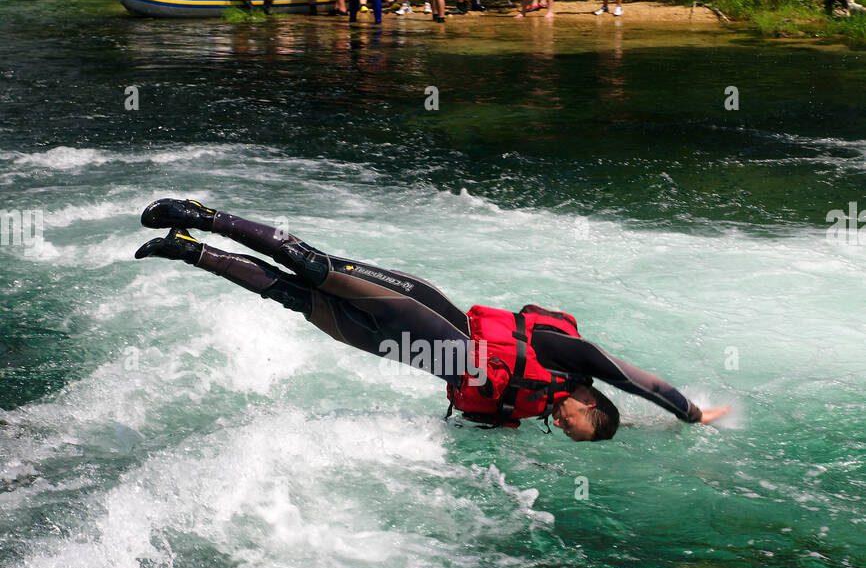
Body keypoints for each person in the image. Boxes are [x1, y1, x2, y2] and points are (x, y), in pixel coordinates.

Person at [135, 198, 731, 441]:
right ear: (587, 401)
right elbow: (636, 379)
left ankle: (188, 248)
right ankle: (202, 215)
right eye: (576, 422)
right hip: (429, 319)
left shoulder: (528, 409)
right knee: (312, 266)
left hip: (409, 353)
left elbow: (472, 418)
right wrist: (690, 412)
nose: (564, 424)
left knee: (294, 298)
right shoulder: (567, 357)